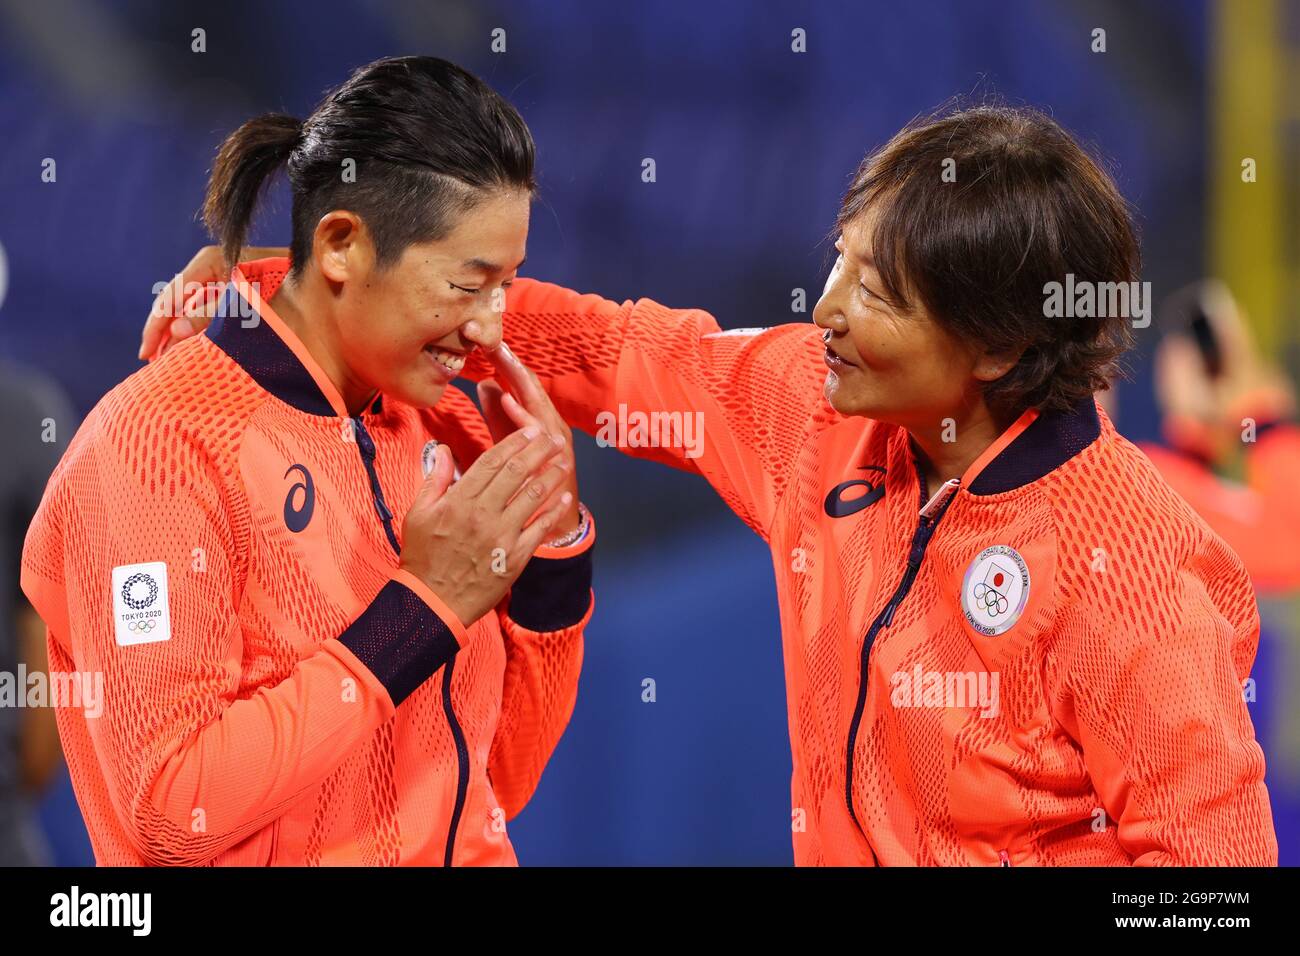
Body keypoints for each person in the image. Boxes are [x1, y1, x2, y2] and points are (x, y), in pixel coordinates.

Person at [144, 104, 1277, 865]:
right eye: (840, 255)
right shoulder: (808, 411)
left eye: (876, 291)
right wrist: (297, 293)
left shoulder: (1130, 567)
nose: (825, 307)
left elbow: (1210, 876)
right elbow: (606, 348)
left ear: (990, 347)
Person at [25, 56, 596, 866]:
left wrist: (549, 557)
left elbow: (493, 782)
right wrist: (423, 607)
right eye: (470, 286)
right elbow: (169, 809)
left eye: (508, 285)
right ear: (340, 246)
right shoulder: (152, 448)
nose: (491, 329)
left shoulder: (435, 425)